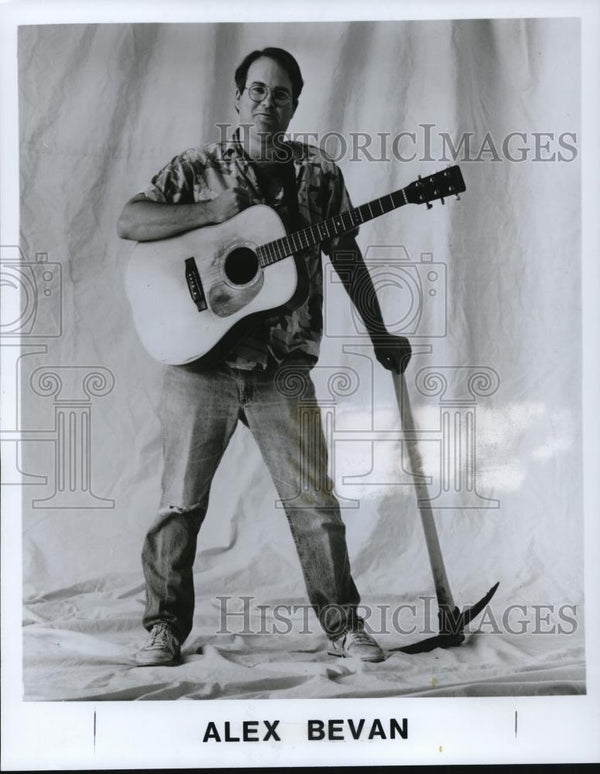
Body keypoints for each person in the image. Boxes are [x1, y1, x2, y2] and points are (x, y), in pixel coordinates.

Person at [117, 47, 411, 667]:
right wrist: (212, 213)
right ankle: (164, 628)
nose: (266, 103)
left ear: (295, 103)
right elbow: (130, 219)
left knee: (314, 504)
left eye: (281, 93)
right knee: (179, 503)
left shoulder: (320, 175)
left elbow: (347, 257)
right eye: (256, 90)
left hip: (284, 368)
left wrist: (382, 331)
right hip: (201, 364)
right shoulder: (200, 168)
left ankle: (343, 626)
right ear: (238, 97)